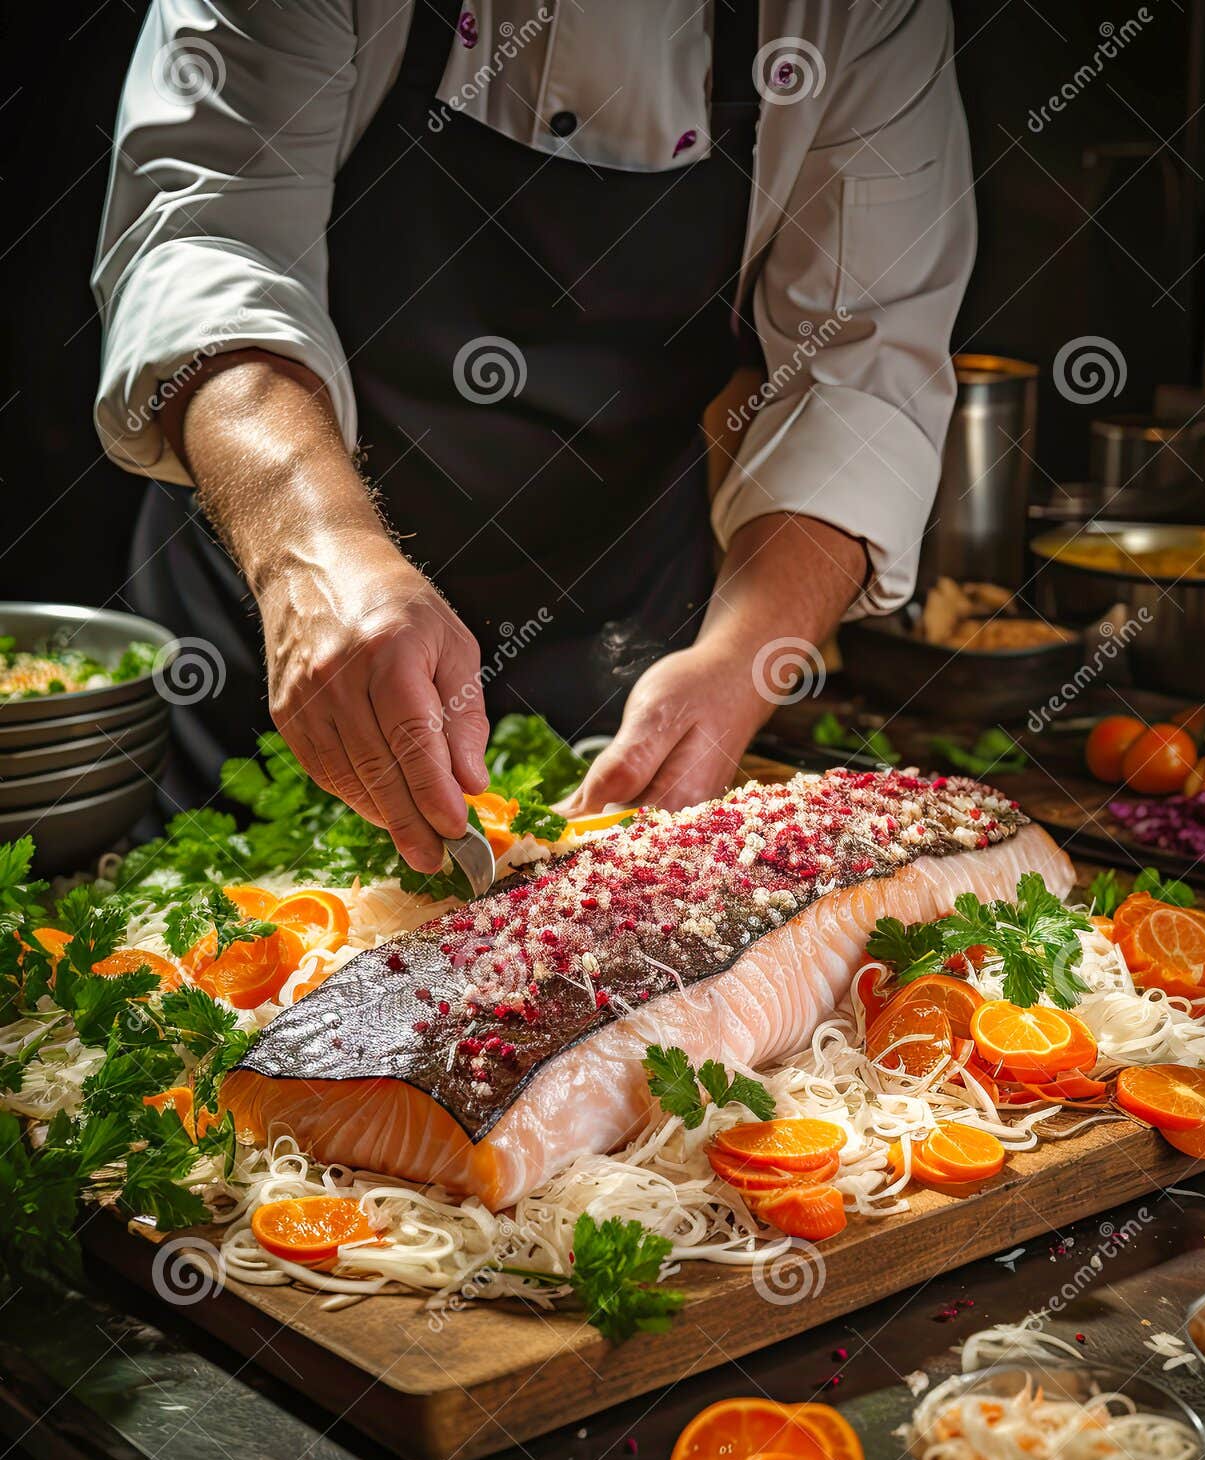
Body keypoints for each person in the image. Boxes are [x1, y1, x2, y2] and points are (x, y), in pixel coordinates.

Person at [94, 0, 975, 872]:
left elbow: (862, 367)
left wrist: (742, 662)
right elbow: (207, 241)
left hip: (620, 623)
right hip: (273, 593)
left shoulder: (863, 13)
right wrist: (311, 551)